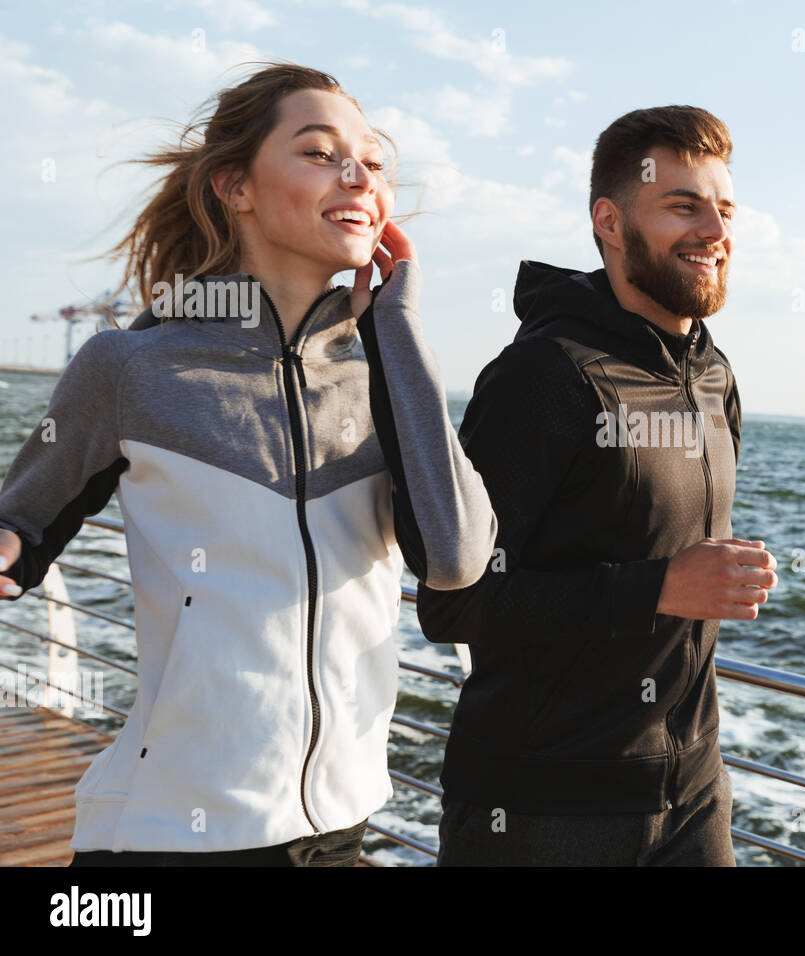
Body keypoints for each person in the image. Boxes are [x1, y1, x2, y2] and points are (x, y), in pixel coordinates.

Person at [0, 62, 497, 865]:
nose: (358, 175)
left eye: (373, 161)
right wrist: (11, 550)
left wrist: (398, 327)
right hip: (173, 833)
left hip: (342, 826)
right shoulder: (132, 367)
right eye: (318, 152)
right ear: (236, 187)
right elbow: (24, 519)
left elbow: (457, 559)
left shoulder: (385, 372)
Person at [401, 105, 776, 866]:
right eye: (683, 206)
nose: (714, 230)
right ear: (610, 220)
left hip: (693, 798)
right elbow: (454, 603)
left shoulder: (713, 373)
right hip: (542, 811)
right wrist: (659, 588)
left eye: (724, 208)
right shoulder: (544, 375)